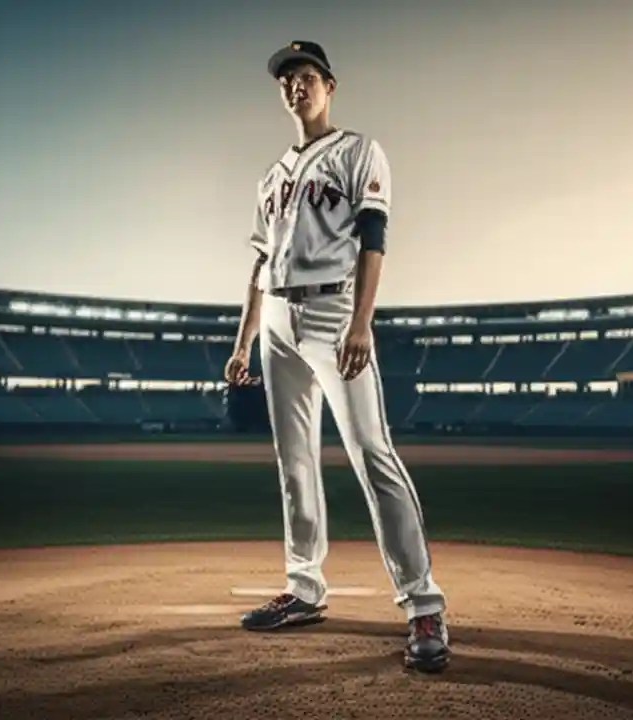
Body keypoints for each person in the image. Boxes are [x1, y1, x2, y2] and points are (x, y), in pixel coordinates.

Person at [223, 40, 449, 673]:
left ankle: (423, 605)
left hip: (331, 311)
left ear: (330, 85)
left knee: (371, 453)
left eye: (306, 76)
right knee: (293, 462)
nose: (296, 86)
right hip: (274, 319)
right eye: (287, 80)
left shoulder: (358, 151)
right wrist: (242, 341)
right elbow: (259, 264)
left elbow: (375, 237)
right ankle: (303, 588)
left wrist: (362, 321)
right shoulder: (271, 175)